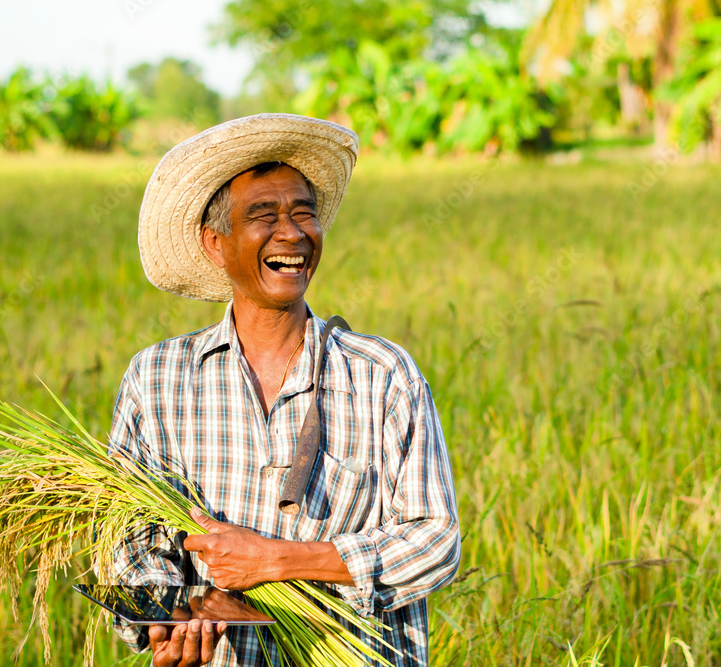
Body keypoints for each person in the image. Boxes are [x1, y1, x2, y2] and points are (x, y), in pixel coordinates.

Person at [105, 114, 461, 666]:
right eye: (263, 216)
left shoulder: (383, 375)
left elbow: (435, 543)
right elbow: (129, 543)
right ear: (214, 243)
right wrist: (167, 619)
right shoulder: (157, 380)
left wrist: (278, 561)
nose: (292, 233)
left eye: (304, 214)